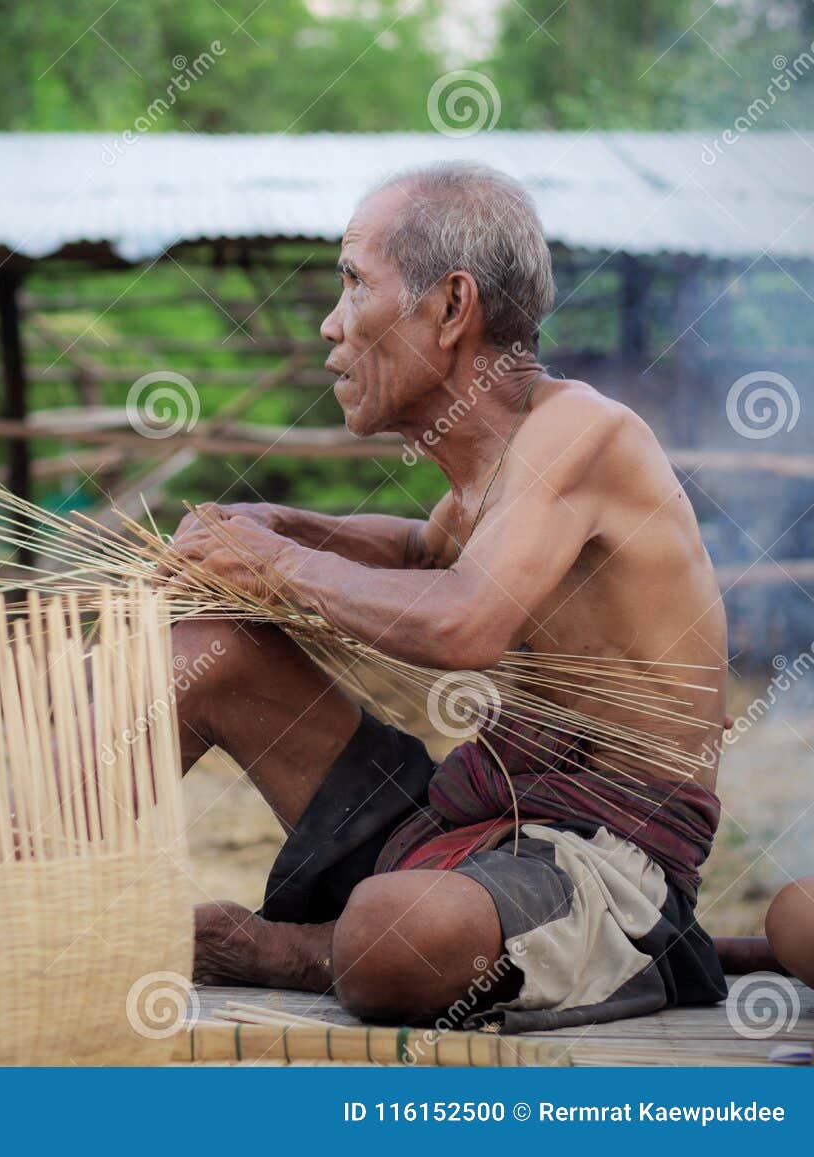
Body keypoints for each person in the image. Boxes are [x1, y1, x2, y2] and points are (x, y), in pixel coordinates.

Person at [171, 161, 729, 1032]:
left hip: (603, 867)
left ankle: (298, 949)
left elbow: (465, 617)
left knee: (395, 932)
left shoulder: (581, 433)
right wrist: (271, 524)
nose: (331, 322)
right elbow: (421, 553)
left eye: (354, 283)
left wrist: (273, 563)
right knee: (208, 646)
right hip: (469, 825)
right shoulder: (483, 488)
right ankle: (17, 891)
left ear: (451, 306)